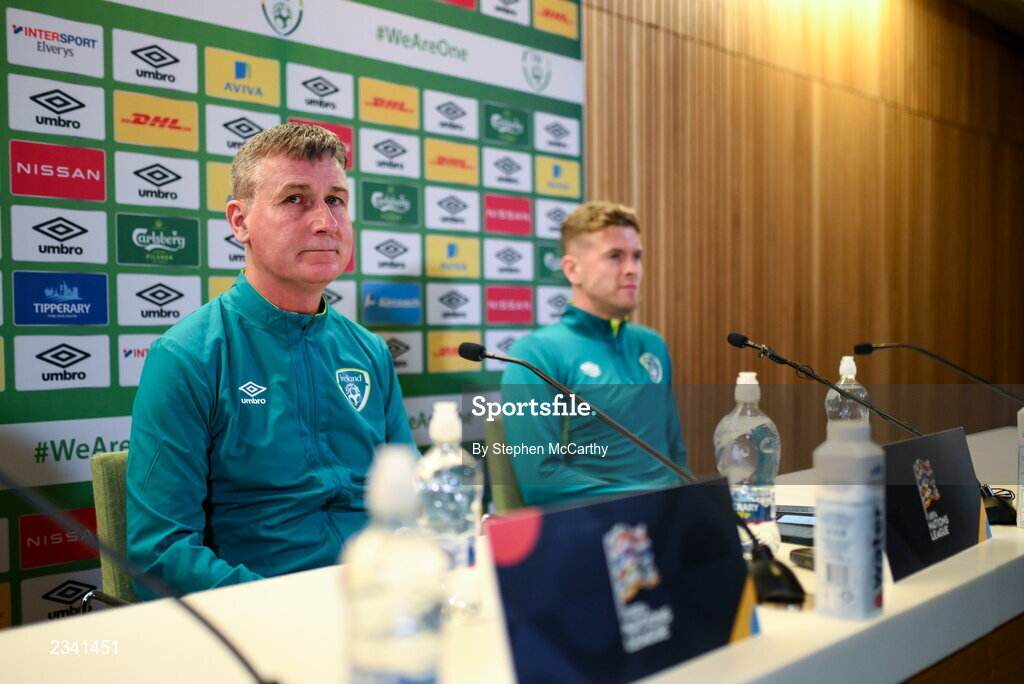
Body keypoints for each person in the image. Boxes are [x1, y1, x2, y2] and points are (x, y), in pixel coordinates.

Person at [127, 123, 413, 597]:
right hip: (267, 614)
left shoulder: (370, 351)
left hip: (388, 601)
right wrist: (287, 608)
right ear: (240, 222)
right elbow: (162, 553)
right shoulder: (187, 357)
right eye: (295, 199)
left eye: (336, 200)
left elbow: (410, 503)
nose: (325, 221)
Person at [500, 201, 689, 506]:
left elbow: (675, 456)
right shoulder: (534, 355)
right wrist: (651, 500)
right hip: (595, 530)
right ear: (573, 269)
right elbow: (541, 481)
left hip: (670, 522)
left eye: (636, 256)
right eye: (614, 256)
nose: (631, 269)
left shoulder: (652, 344)